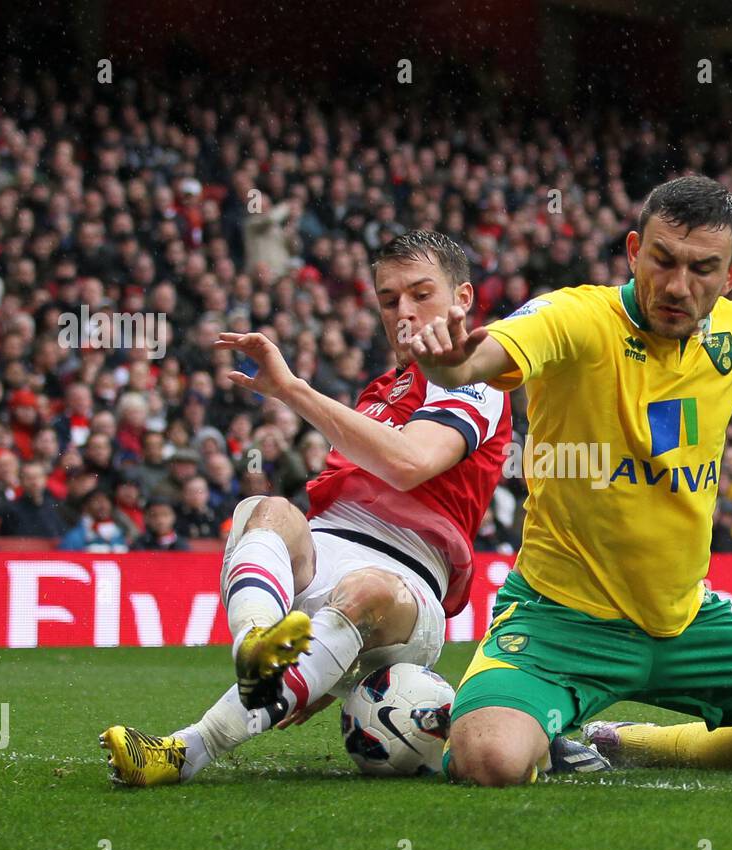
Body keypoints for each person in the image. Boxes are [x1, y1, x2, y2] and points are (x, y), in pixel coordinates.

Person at [398, 176, 732, 784]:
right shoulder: (576, 317)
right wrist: (451, 360)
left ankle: (632, 741)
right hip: (560, 618)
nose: (676, 285)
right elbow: (486, 354)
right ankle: (503, 727)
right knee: (490, 761)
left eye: (702, 269)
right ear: (634, 250)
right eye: (662, 260)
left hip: (686, 619)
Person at [100, 231, 605, 786]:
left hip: (403, 592)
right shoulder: (379, 391)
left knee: (366, 587)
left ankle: (186, 750)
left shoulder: (476, 382)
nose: (404, 313)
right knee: (265, 509)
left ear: (463, 299)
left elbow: (410, 463)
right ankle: (260, 651)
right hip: (318, 564)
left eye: (421, 294)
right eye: (389, 300)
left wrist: (294, 391)